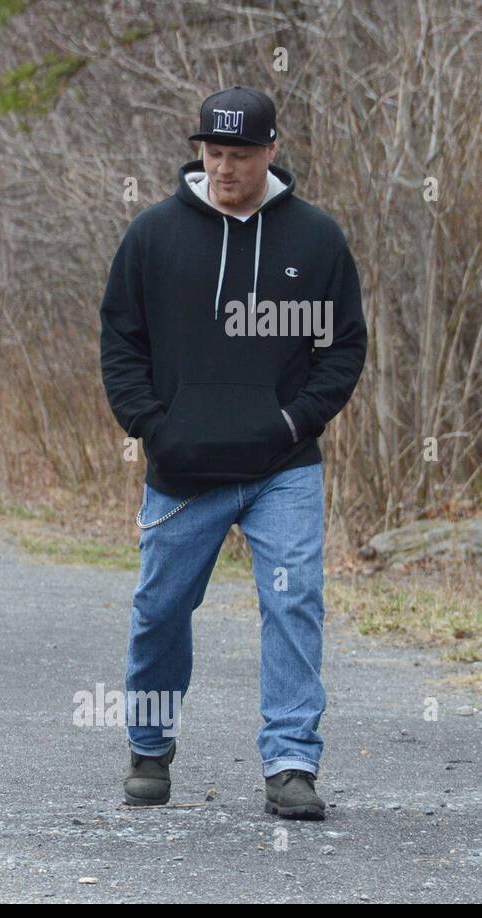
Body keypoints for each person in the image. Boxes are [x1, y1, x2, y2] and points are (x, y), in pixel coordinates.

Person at [99, 86, 367, 820]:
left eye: (239, 155)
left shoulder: (315, 239)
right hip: (182, 466)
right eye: (212, 153)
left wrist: (293, 423)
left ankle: (289, 762)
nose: (223, 167)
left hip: (283, 466)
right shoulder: (153, 235)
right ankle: (150, 747)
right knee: (160, 610)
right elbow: (120, 340)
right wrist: (151, 425)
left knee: (293, 604)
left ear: (271, 152)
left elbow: (341, 348)